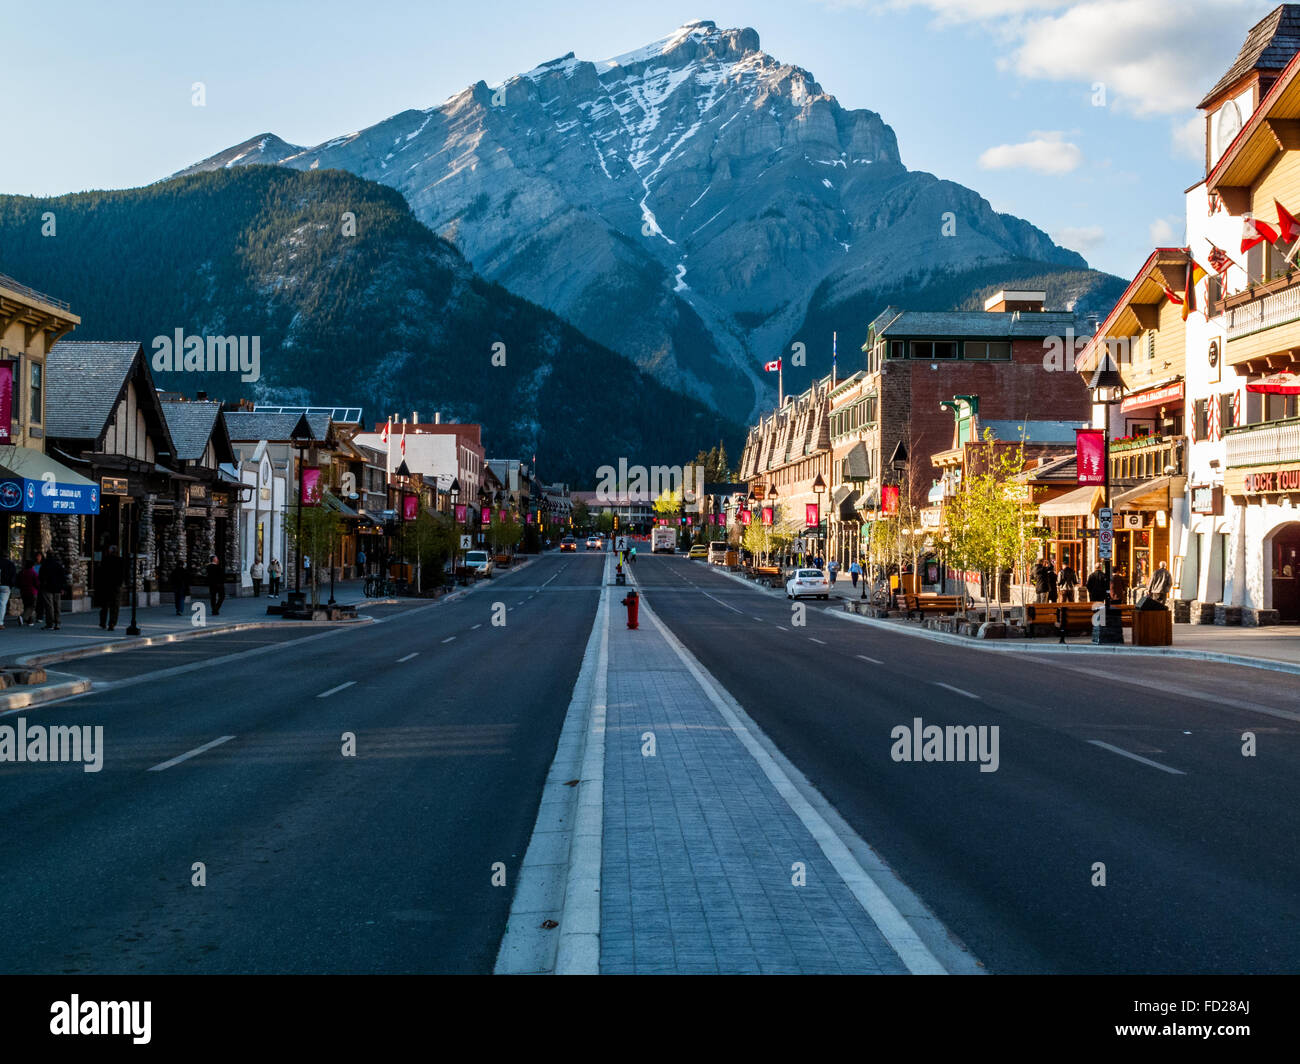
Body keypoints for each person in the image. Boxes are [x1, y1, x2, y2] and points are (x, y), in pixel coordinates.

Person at [95, 545, 125, 630]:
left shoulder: (105, 560)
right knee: (114, 607)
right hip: (115, 586)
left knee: (104, 606)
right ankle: (112, 623)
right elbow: (122, 574)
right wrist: (120, 584)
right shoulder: (120, 560)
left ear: (110, 551)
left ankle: (102, 622)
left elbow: (101, 573)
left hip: (106, 586)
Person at [40, 550, 66, 630]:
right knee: (57, 606)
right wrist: (62, 588)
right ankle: (57, 623)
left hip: (47, 587)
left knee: (49, 606)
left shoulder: (44, 565)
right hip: (57, 588)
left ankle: (49, 623)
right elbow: (63, 577)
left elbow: (40, 576)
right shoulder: (58, 565)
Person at [18, 559, 39, 627]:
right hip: (32, 591)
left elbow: (18, 581)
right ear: (32, 566)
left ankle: (30, 621)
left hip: (23, 591)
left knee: (27, 606)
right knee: (32, 606)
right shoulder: (33, 573)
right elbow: (37, 583)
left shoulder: (22, 572)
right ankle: (23, 617)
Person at [0, 554, 15, 629]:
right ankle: (0, 622)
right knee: (2, 604)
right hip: (6, 586)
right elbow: (13, 575)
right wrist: (11, 585)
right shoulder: (10, 564)